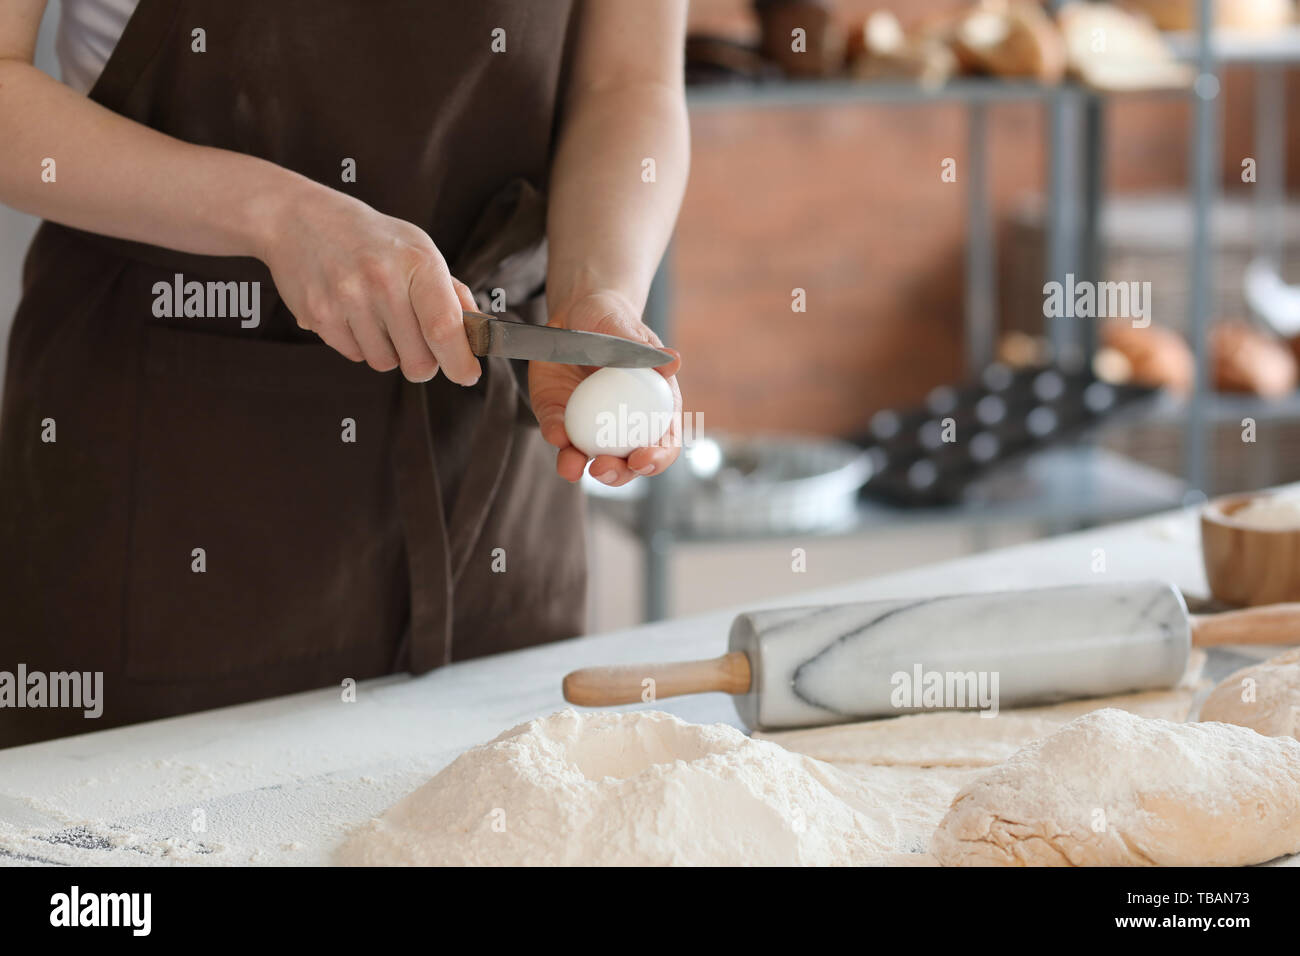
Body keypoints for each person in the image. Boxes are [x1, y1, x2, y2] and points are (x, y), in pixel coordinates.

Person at [0, 0, 688, 746]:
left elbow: (627, 83)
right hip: (161, 478)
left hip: (490, 472)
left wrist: (594, 291)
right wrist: (275, 216)